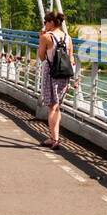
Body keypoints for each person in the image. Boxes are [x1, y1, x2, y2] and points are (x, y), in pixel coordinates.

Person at [37, 9, 76, 149]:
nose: (44, 24)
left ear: (51, 22)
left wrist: (41, 38)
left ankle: (54, 140)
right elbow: (71, 58)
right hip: (64, 74)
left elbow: (42, 57)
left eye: (45, 22)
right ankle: (54, 137)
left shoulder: (46, 37)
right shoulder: (68, 37)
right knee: (57, 106)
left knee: (52, 107)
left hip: (50, 73)